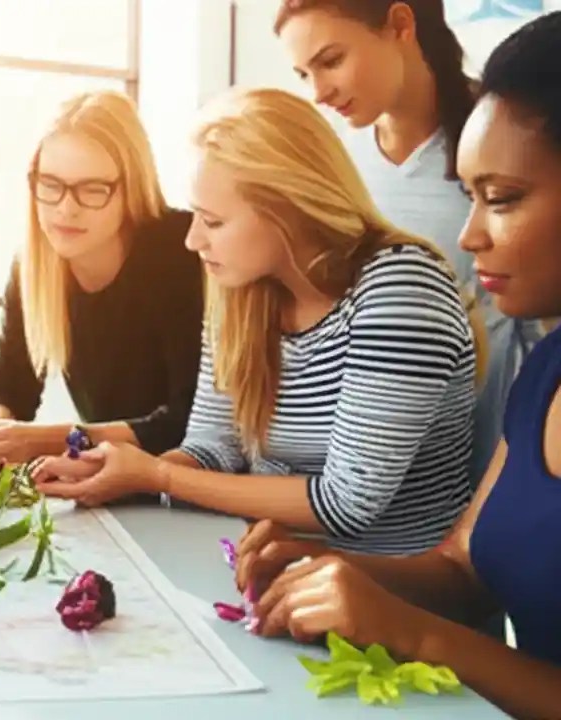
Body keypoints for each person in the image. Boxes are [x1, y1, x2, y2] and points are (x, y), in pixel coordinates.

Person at [236, 15, 561, 717]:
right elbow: (462, 567)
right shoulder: (545, 374)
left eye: (502, 200)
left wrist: (408, 630)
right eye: (469, 196)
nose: (469, 235)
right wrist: (330, 567)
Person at [32, 87, 480, 557]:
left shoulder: (401, 288)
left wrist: (156, 474)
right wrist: (119, 475)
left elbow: (347, 503)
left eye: (214, 222)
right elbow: (213, 449)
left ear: (286, 212)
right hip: (270, 573)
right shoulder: (243, 294)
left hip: (397, 600)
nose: (192, 240)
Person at [275, 0, 542, 488]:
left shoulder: (500, 139)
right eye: (303, 74)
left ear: (400, 25)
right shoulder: (334, 161)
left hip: (495, 446)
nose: (318, 92)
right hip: (370, 458)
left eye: (331, 61)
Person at [0, 90, 202, 468]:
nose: (66, 209)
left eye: (92, 190)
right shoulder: (35, 264)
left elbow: (187, 423)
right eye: (51, 185)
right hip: (114, 478)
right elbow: (8, 383)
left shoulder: (182, 250)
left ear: (131, 187)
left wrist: (47, 440)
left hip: (186, 481)